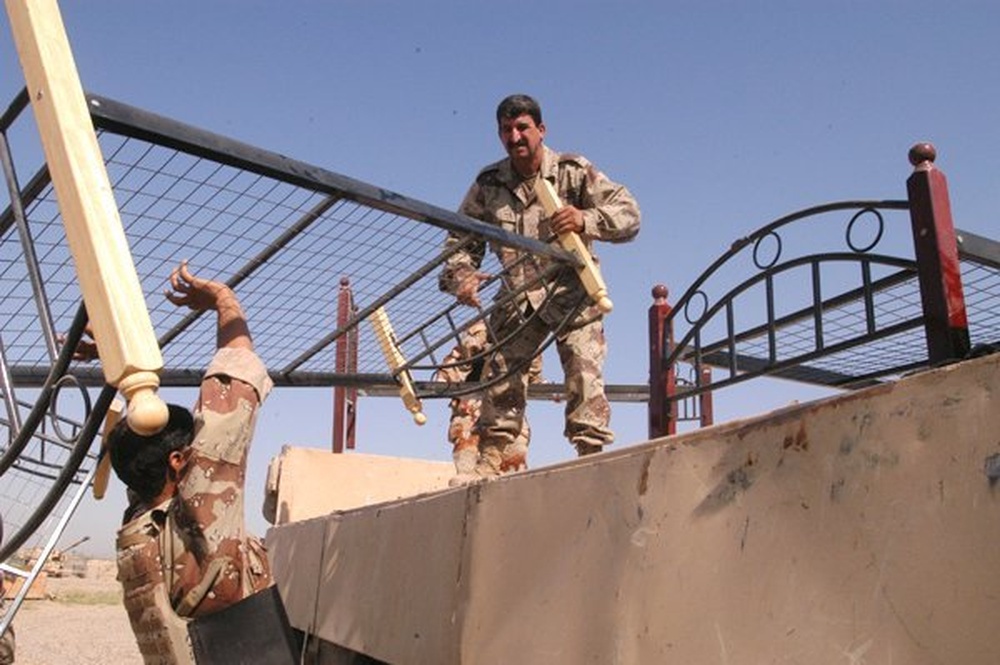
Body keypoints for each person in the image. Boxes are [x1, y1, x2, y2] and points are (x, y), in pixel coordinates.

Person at [440, 93, 640, 480]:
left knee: (584, 378)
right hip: (517, 297)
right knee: (500, 380)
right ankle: (489, 463)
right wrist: (460, 276)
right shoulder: (488, 184)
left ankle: (590, 461)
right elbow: (459, 241)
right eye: (506, 130)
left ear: (541, 130)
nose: (515, 137)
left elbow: (630, 214)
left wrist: (585, 219)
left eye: (522, 128)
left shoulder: (572, 171)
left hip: (573, 294)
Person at [96, 261, 273, 663]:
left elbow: (140, 445)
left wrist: (119, 368)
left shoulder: (140, 526)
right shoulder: (195, 524)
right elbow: (232, 391)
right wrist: (224, 301)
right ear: (179, 461)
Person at [433, 321, 542, 476]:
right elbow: (450, 370)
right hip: (473, 407)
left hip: (506, 411)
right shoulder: (482, 331)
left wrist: (544, 387)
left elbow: (533, 374)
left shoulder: (525, 336)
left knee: (513, 460)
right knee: (468, 462)